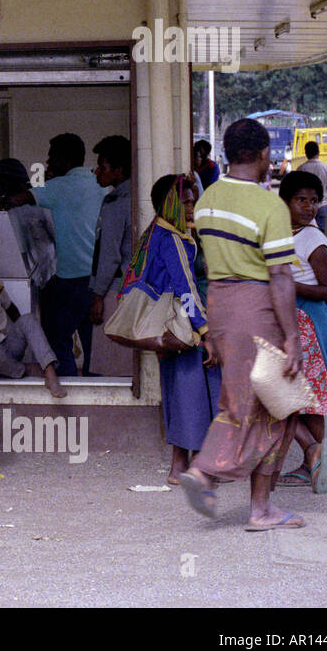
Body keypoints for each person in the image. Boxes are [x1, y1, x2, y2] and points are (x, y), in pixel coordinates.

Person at [180, 117, 304, 531]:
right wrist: (291, 336)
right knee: (272, 401)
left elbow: (209, 267)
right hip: (257, 308)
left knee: (246, 399)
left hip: (220, 305)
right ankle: (210, 473)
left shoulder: (208, 199)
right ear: (265, 155)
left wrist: (212, 331)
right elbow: (282, 276)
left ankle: (256, 504)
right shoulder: (269, 205)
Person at [123, 174, 220, 485]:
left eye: (193, 201)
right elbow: (186, 289)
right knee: (193, 394)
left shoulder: (155, 233)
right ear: (170, 204)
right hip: (184, 327)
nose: (192, 207)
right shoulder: (175, 238)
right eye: (186, 201)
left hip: (167, 328)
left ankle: (181, 465)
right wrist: (204, 330)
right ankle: (194, 467)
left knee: (179, 394)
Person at [277, 171, 327, 493]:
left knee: (311, 399)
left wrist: (288, 284)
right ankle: (312, 458)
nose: (309, 207)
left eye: (314, 201)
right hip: (288, 319)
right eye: (301, 199)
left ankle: (312, 463)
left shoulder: (314, 241)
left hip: (311, 323)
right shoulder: (280, 233)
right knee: (289, 396)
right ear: (285, 201)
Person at [33, 133, 107, 375]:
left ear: (64, 159)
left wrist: (32, 176)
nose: (48, 161)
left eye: (51, 156)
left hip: (70, 279)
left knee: (58, 338)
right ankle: (92, 389)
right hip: (99, 280)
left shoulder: (57, 187)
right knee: (93, 343)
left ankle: (70, 386)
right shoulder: (99, 182)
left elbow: (21, 198)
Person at [87, 135, 134, 377]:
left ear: (118, 170)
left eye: (102, 166)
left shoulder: (117, 203)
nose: (96, 171)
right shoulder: (135, 197)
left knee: (111, 366)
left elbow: (109, 255)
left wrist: (97, 296)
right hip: (132, 287)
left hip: (114, 288)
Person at [0, 280, 62, 391]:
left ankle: (49, 370)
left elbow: (13, 312)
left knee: (28, 319)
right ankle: (26, 369)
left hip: (5, 347)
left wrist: (22, 335)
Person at [0, 158, 56, 293]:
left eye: (1, 184)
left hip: (49, 278)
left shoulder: (41, 204)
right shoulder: (7, 209)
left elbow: (59, 241)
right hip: (21, 279)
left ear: (14, 181)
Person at [296, 141, 327, 231]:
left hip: (305, 207)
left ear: (306, 153)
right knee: (323, 233)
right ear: (318, 153)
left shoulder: (301, 169)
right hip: (322, 206)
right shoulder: (326, 168)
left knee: (307, 232)